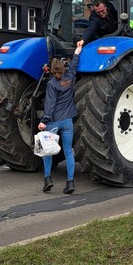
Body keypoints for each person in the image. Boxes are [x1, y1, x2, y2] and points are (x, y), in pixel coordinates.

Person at [38, 44, 82, 194]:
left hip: (54, 122)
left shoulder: (51, 84)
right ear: (63, 68)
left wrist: (44, 121)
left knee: (48, 151)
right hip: (68, 121)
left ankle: (48, 179)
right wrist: (77, 50)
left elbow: (49, 105)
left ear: (51, 69)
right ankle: (70, 182)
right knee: (68, 151)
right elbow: (75, 64)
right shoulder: (70, 78)